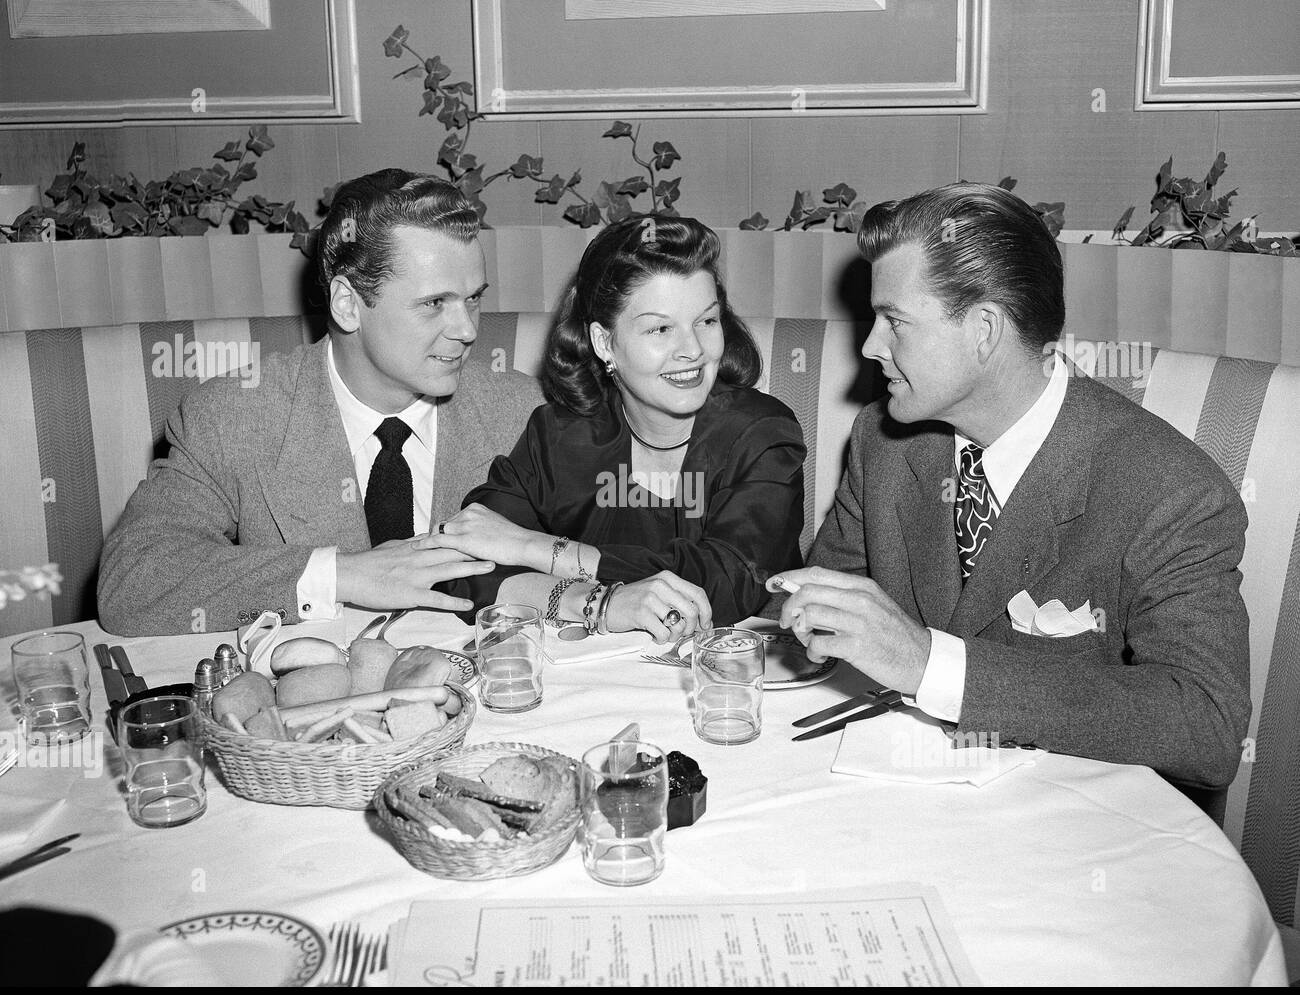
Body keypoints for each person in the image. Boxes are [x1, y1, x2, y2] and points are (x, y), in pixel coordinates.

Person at [771, 183, 1250, 806]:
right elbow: (826, 611)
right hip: (892, 805)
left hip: (1081, 839)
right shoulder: (884, 443)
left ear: (985, 330)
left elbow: (1208, 728)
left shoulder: (1171, 491)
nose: (869, 347)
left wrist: (929, 663)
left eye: (894, 322)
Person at [98, 170, 542, 636]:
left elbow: (608, 554)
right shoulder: (233, 416)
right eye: (434, 303)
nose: (468, 329)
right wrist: (342, 575)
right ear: (347, 304)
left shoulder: (519, 410)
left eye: (473, 299)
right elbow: (131, 586)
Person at [428, 214, 806, 642]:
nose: (695, 350)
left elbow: (726, 583)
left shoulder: (763, 433)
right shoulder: (558, 435)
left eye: (707, 321)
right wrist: (599, 605)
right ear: (605, 342)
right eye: (660, 328)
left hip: (730, 679)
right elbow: (464, 566)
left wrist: (534, 549)